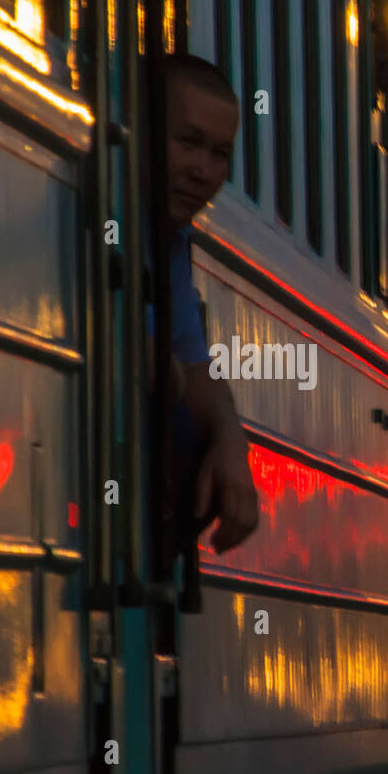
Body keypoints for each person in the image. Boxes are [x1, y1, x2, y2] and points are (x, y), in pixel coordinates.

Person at [147, 54, 258, 556]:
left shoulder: (170, 239)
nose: (203, 170)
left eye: (219, 154)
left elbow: (193, 371)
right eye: (188, 143)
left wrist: (232, 443)